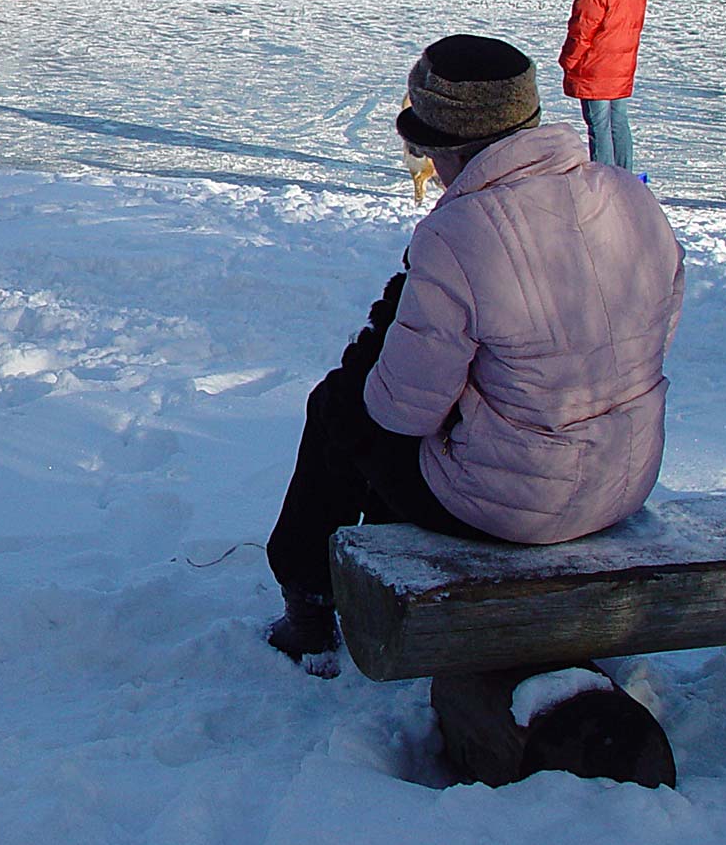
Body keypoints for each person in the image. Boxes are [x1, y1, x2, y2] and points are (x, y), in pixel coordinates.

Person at [262, 35, 684, 672]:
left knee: (336, 408)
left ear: (448, 146)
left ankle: (308, 604)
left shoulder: (459, 232)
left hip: (522, 504)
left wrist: (393, 324)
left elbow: (398, 410)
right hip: (624, 477)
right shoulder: (628, 194)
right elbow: (650, 332)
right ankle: (369, 560)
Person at [559, 0, 647, 171]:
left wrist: (569, 60)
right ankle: (624, 176)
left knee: (598, 126)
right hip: (621, 63)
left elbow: (582, 28)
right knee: (618, 122)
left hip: (596, 65)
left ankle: (605, 179)